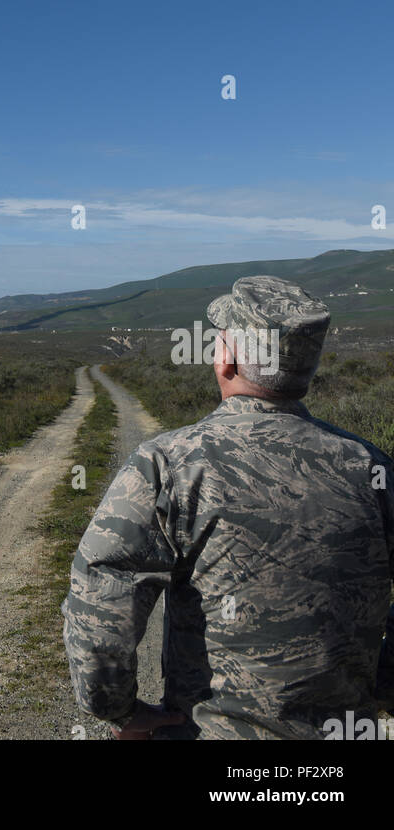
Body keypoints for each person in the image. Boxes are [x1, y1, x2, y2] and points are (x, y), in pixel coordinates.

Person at [62, 275, 394, 740]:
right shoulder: (372, 466)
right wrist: (383, 683)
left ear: (227, 357)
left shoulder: (169, 464)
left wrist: (118, 709)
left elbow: (103, 589)